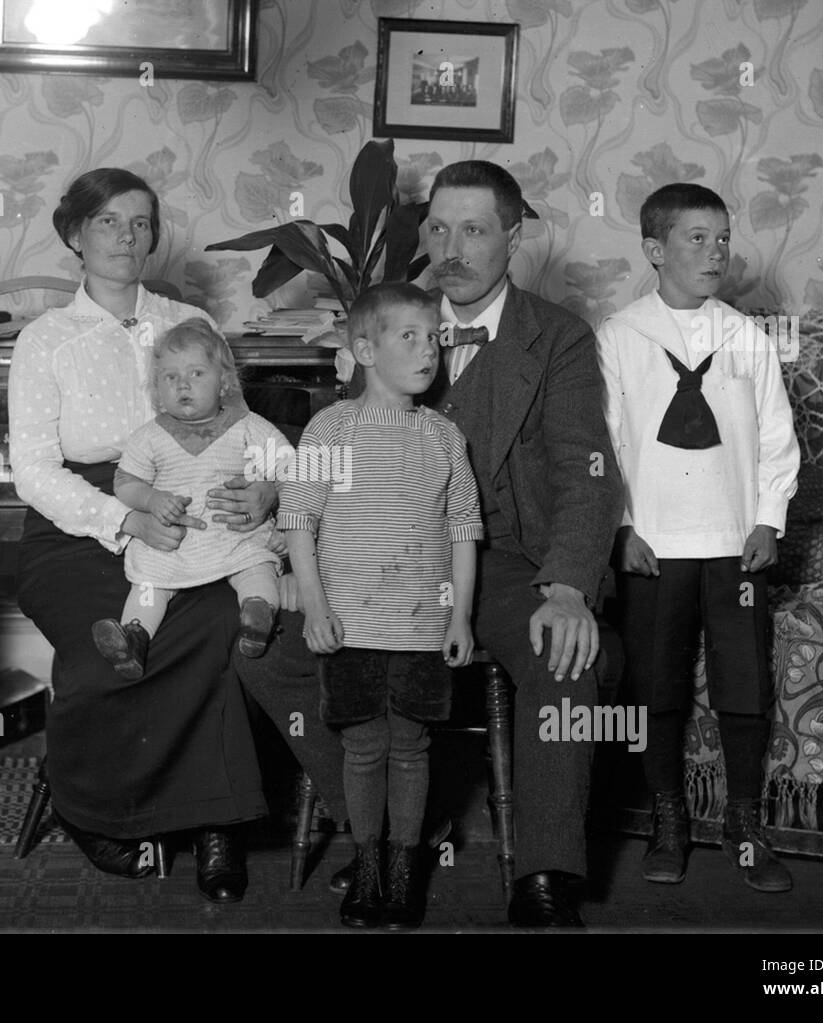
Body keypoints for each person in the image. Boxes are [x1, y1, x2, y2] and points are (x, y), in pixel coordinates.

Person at [238, 160, 624, 927]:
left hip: (506, 559)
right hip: (378, 560)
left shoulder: (558, 338)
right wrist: (277, 497)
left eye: (474, 229)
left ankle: (546, 872)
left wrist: (568, 586)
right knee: (266, 651)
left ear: (513, 235)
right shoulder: (389, 321)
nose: (452, 247)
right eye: (439, 228)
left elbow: (587, 472)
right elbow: (332, 445)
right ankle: (387, 830)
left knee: (567, 652)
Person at [9, 168, 270, 903]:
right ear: (75, 235)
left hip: (189, 514)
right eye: (107, 222)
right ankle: (92, 808)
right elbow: (33, 469)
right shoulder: (45, 339)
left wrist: (264, 487)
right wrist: (125, 519)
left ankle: (217, 821)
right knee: (109, 645)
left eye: (141, 223)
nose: (126, 237)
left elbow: (240, 426)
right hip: (79, 526)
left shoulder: (189, 320)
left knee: (216, 619)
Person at [597, 183, 800, 893]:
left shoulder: (748, 338)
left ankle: (745, 824)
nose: (716, 253)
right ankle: (668, 819)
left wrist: (767, 518)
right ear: (654, 249)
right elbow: (607, 442)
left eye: (723, 239)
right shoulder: (618, 337)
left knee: (743, 680)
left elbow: (776, 437)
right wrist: (622, 527)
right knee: (657, 682)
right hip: (654, 542)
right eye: (697, 238)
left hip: (733, 541)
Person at [281, 282, 481, 930]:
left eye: (434, 339)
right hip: (351, 624)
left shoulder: (443, 436)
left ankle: (403, 871)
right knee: (364, 747)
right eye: (409, 337)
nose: (427, 352)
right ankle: (367, 869)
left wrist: (459, 616)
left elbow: (463, 531)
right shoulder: (331, 428)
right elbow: (299, 522)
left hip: (422, 625)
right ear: (366, 350)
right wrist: (316, 609)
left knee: (412, 746)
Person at [93, 318, 288, 677]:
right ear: (156, 389)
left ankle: (257, 614)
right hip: (172, 543)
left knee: (257, 565)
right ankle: (133, 638)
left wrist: (281, 512)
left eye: (197, 373)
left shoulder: (248, 427)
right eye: (170, 377)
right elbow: (126, 483)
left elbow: (292, 470)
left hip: (236, 537)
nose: (182, 384)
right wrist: (151, 499)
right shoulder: (149, 436)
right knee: (148, 582)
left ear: (224, 382)